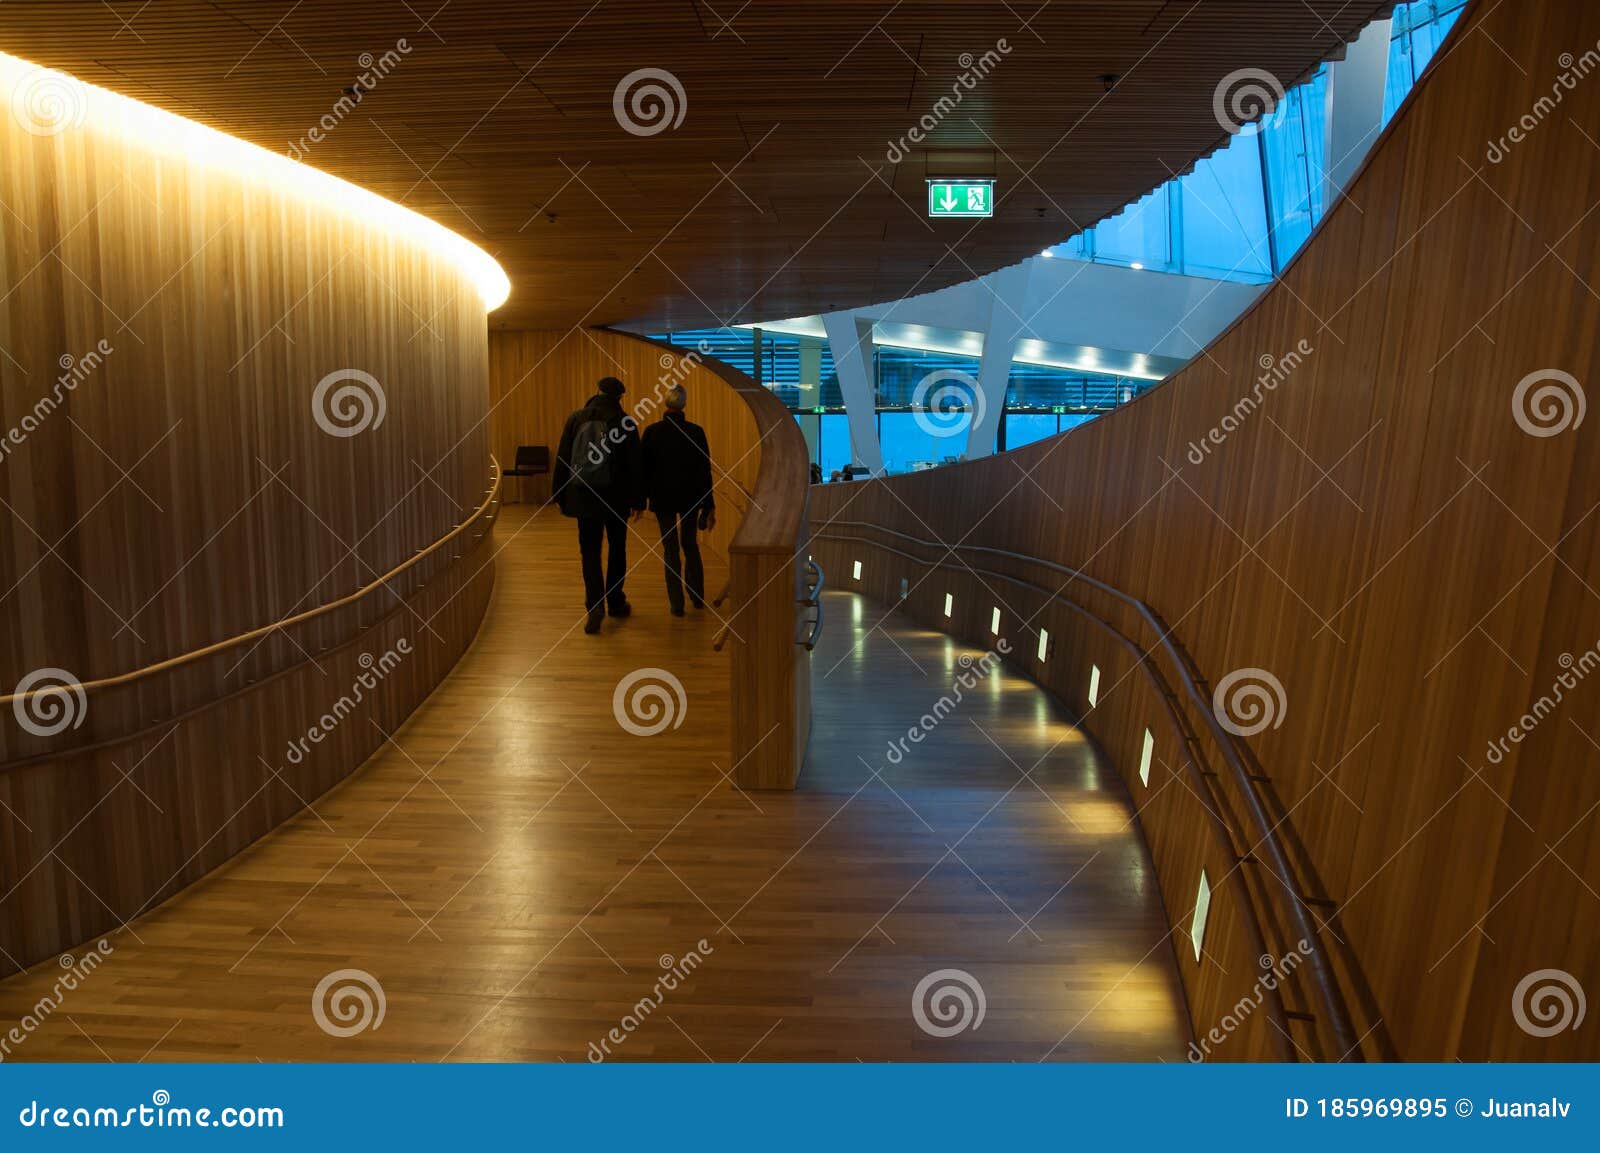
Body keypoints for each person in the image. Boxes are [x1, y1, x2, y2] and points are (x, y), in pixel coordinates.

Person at [554, 376, 646, 634]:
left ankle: (594, 607)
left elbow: (563, 456)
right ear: (619, 397)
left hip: (584, 497)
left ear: (597, 391)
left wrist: (559, 495)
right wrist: (639, 500)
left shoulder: (576, 418)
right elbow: (635, 465)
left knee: (590, 552)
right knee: (618, 548)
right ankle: (615, 602)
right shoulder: (625, 422)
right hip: (616, 498)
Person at [641, 386, 715, 617]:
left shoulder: (652, 432)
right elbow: (705, 470)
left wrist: (639, 500)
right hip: (690, 498)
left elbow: (644, 470)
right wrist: (709, 503)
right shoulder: (696, 431)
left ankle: (676, 604)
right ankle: (697, 595)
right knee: (690, 544)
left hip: (662, 498)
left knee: (670, 549)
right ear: (684, 405)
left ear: (665, 404)